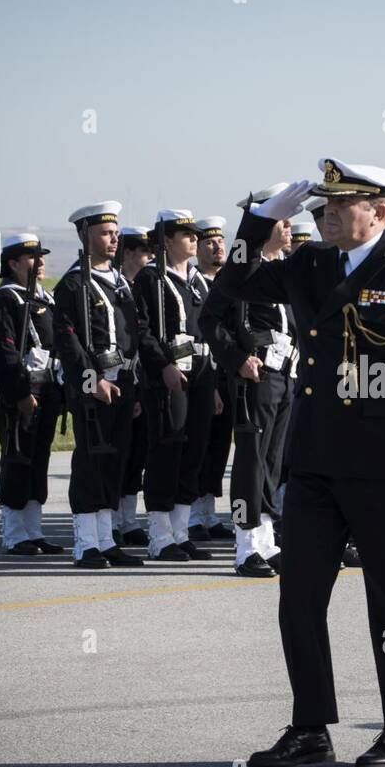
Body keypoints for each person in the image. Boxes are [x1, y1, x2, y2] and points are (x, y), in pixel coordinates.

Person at [223, 159, 385, 767]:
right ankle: (310, 729)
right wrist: (258, 222)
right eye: (321, 206)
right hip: (316, 461)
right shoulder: (310, 265)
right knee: (299, 596)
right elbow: (233, 287)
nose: (325, 214)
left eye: (339, 205)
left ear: (378, 213)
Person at [202, 183, 297, 577]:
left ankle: (266, 540)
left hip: (286, 374)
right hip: (255, 377)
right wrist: (238, 359)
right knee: (251, 462)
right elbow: (208, 320)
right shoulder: (239, 273)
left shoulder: (283, 271)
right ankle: (245, 546)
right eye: (283, 220)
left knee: (274, 462)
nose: (290, 227)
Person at [52, 201, 146, 569]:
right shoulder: (75, 284)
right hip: (94, 387)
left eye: (115, 233)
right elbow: (67, 341)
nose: (113, 239)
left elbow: (132, 336)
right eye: (105, 233)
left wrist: (133, 388)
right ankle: (86, 543)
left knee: (115, 462)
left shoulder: (119, 281)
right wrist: (92, 382)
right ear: (85, 235)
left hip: (122, 384)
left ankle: (107, 540)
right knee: (91, 461)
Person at [133, 210, 217, 561]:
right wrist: (163, 364)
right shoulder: (150, 279)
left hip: (201, 373)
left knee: (194, 451)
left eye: (195, 234)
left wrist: (212, 382)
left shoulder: (197, 281)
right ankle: (160, 535)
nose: (194, 239)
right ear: (167, 240)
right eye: (186, 234)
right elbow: (142, 330)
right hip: (169, 375)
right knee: (167, 449)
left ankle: (180, 531)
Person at [0, 233, 64, 556]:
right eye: (32, 257)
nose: (40, 263)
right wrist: (20, 394)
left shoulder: (42, 298)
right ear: (13, 263)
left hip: (46, 387)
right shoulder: (6, 300)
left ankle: (33, 530)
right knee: (17, 458)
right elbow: (6, 353)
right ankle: (14, 533)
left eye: (41, 256)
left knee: (38, 459)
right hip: (21, 390)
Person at [188, 216, 234, 541]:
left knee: (218, 446)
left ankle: (207, 512)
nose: (217, 246)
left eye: (220, 241)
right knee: (199, 445)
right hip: (204, 371)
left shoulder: (228, 283)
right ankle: (192, 513)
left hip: (226, 372)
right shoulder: (193, 283)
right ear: (197, 248)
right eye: (209, 242)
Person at [114, 226, 155, 547]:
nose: (149, 257)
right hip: (118, 381)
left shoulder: (140, 288)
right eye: (144, 251)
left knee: (136, 455)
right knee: (119, 454)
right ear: (127, 253)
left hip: (141, 381)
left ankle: (127, 520)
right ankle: (113, 519)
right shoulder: (115, 287)